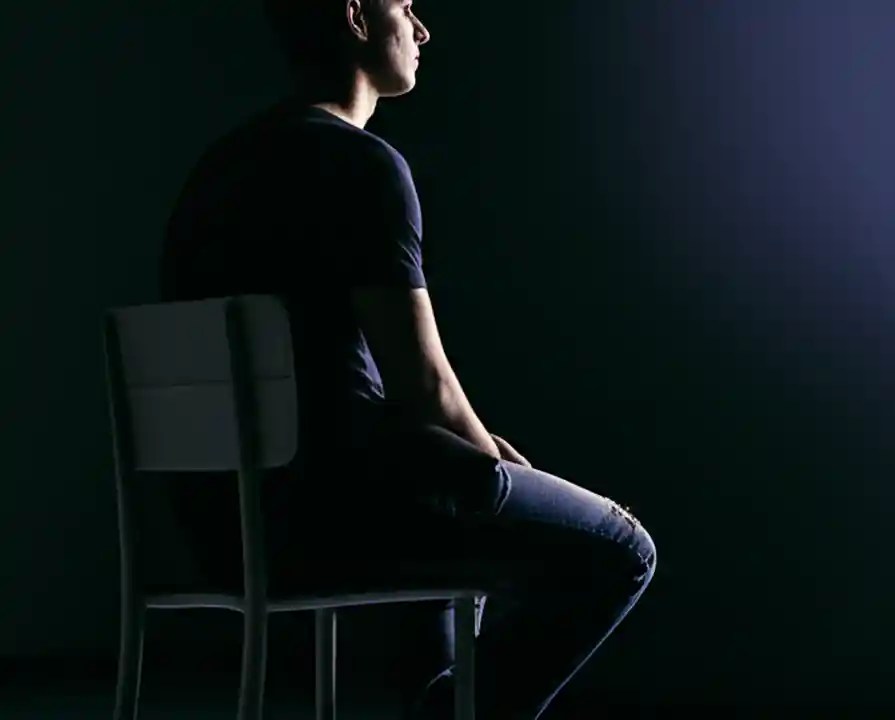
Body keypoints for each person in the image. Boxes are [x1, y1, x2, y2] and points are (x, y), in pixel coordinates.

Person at [156, 0, 657, 717]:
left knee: (444, 472)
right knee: (621, 548)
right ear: (357, 16)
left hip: (224, 525)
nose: (421, 30)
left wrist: (477, 460)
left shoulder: (219, 168)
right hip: (341, 512)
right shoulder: (362, 164)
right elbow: (424, 385)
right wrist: (502, 470)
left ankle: (442, 704)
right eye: (405, 7)